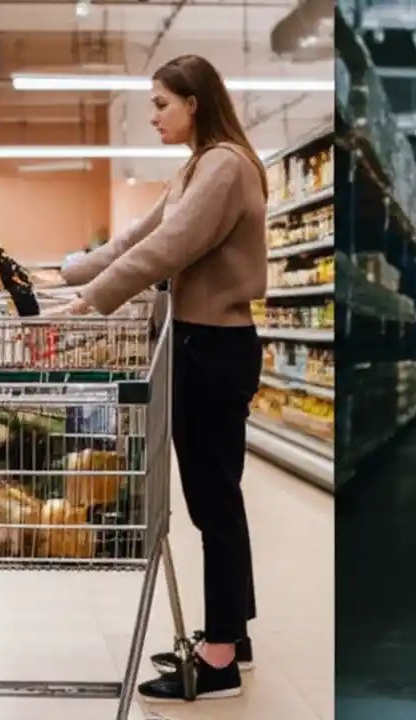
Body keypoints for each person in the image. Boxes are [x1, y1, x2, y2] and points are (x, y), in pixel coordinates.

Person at [48, 54, 268, 702]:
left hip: (212, 348)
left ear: (195, 102)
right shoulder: (198, 170)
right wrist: (60, 276)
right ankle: (236, 633)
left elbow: (166, 252)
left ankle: (221, 659)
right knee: (219, 497)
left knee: (212, 502)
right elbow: (131, 242)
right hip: (202, 345)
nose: (152, 116)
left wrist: (94, 302)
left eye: (161, 104)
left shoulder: (225, 166)